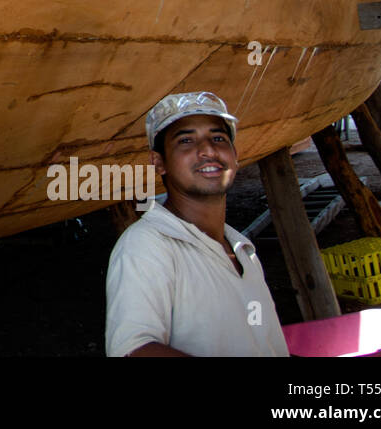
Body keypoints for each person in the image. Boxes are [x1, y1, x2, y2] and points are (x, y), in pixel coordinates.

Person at [105, 91, 289, 356]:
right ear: (159, 163)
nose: (208, 150)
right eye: (186, 140)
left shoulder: (243, 251)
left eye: (218, 138)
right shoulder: (146, 245)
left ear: (235, 156)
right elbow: (134, 349)